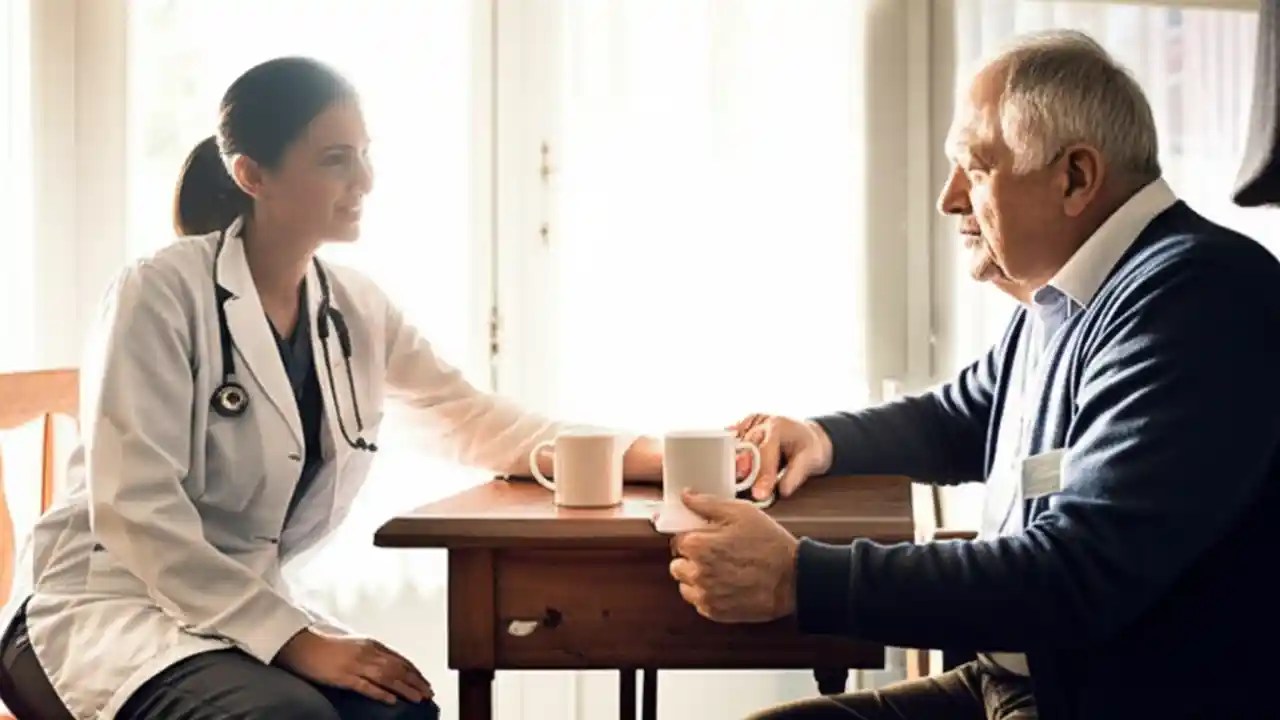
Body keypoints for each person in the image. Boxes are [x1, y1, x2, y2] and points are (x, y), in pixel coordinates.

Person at [0, 56, 662, 720]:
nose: (366, 180)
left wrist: (658, 460)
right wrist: (296, 641)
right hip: (98, 610)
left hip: (229, 615)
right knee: (290, 718)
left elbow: (476, 420)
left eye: (365, 155)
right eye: (337, 160)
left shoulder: (353, 308)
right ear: (252, 175)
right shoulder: (159, 294)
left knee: (403, 711)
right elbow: (136, 514)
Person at [666, 30, 1280, 720]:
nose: (948, 199)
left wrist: (801, 579)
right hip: (1018, 682)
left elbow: (1074, 574)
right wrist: (818, 438)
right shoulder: (1074, 295)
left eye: (974, 167)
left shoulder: (1195, 299)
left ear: (1075, 177)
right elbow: (961, 417)